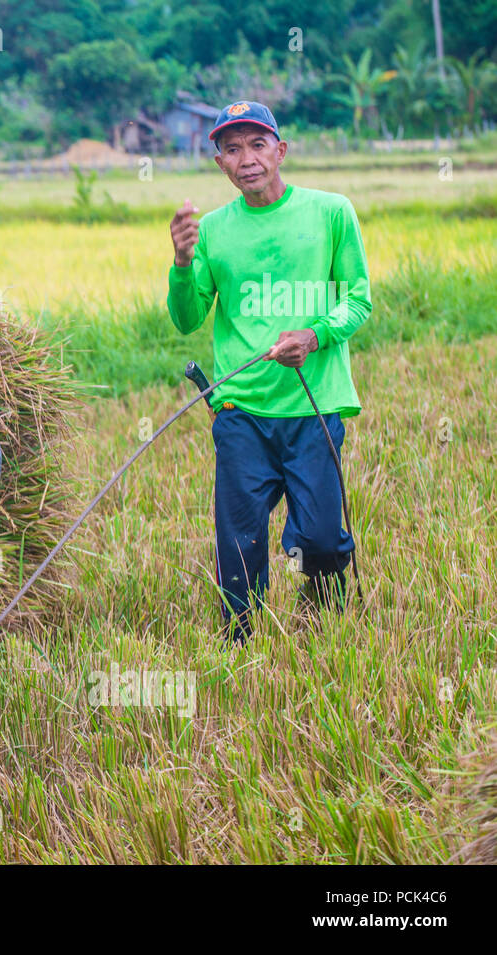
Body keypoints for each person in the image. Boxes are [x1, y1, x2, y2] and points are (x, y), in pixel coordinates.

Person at [166, 101, 371, 644]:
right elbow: (187, 319)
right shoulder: (210, 231)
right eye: (232, 149)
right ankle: (242, 641)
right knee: (239, 544)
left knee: (325, 539)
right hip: (240, 409)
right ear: (220, 164)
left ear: (281, 151)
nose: (247, 158)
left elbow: (359, 302)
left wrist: (315, 335)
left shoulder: (331, 213)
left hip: (314, 405)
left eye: (258, 145)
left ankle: (324, 617)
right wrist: (183, 265)